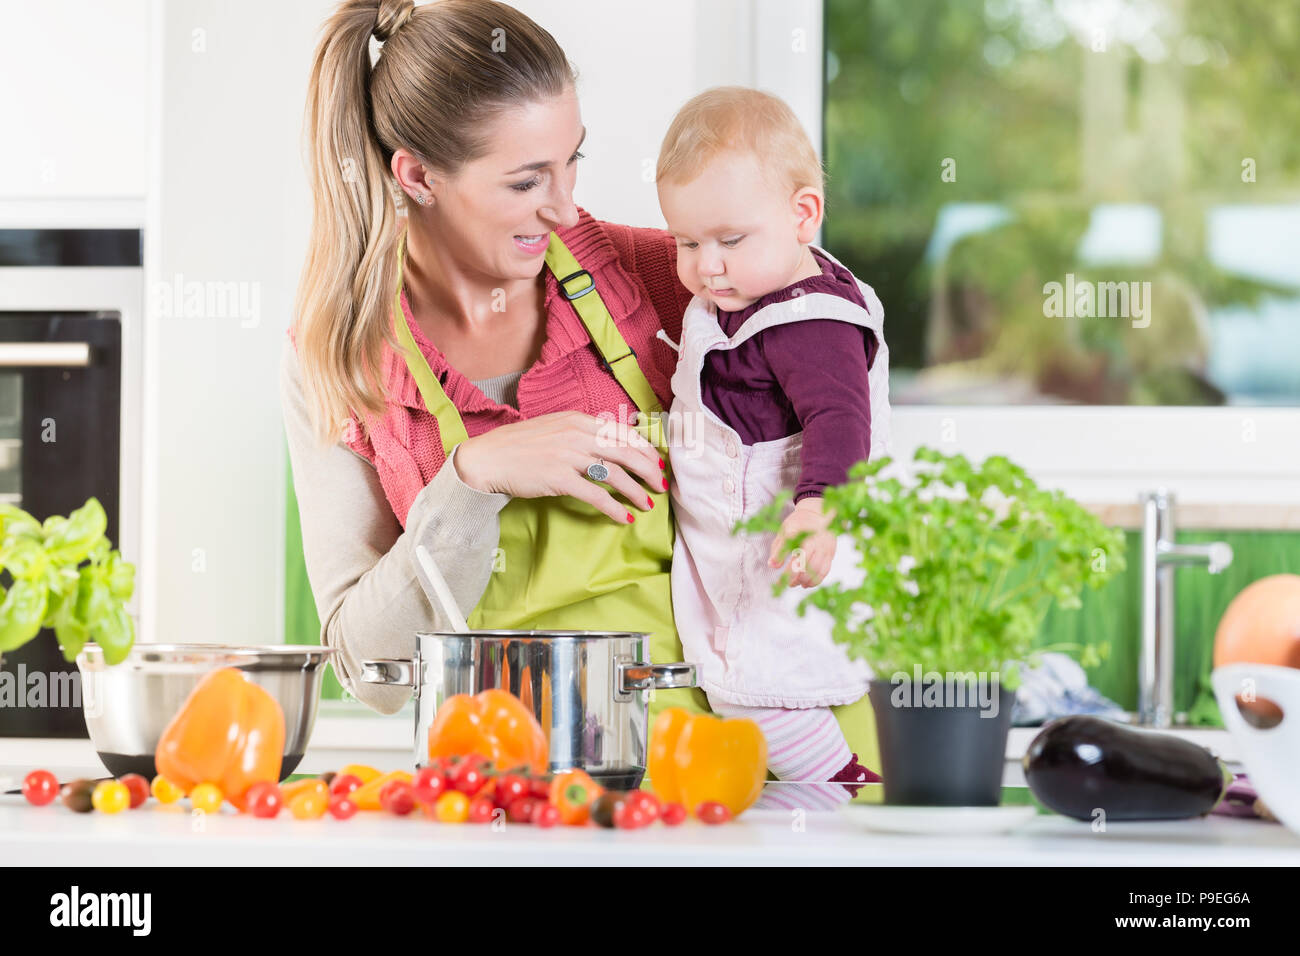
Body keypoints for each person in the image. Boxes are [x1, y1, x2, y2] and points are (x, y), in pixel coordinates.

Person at [280, 0, 884, 785]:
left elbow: (828, 326)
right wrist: (473, 478)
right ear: (418, 176)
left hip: (736, 770)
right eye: (528, 180)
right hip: (506, 802)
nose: (564, 207)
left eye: (574, 163)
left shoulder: (662, 279)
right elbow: (367, 670)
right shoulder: (338, 357)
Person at [654, 87, 892, 803]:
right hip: (722, 535)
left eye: (730, 241)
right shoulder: (750, 290)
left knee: (757, 685)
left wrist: (819, 506)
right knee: (743, 677)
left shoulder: (811, 323)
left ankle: (844, 784)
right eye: (686, 244)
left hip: (776, 539)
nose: (707, 267)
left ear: (803, 216)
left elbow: (842, 420)